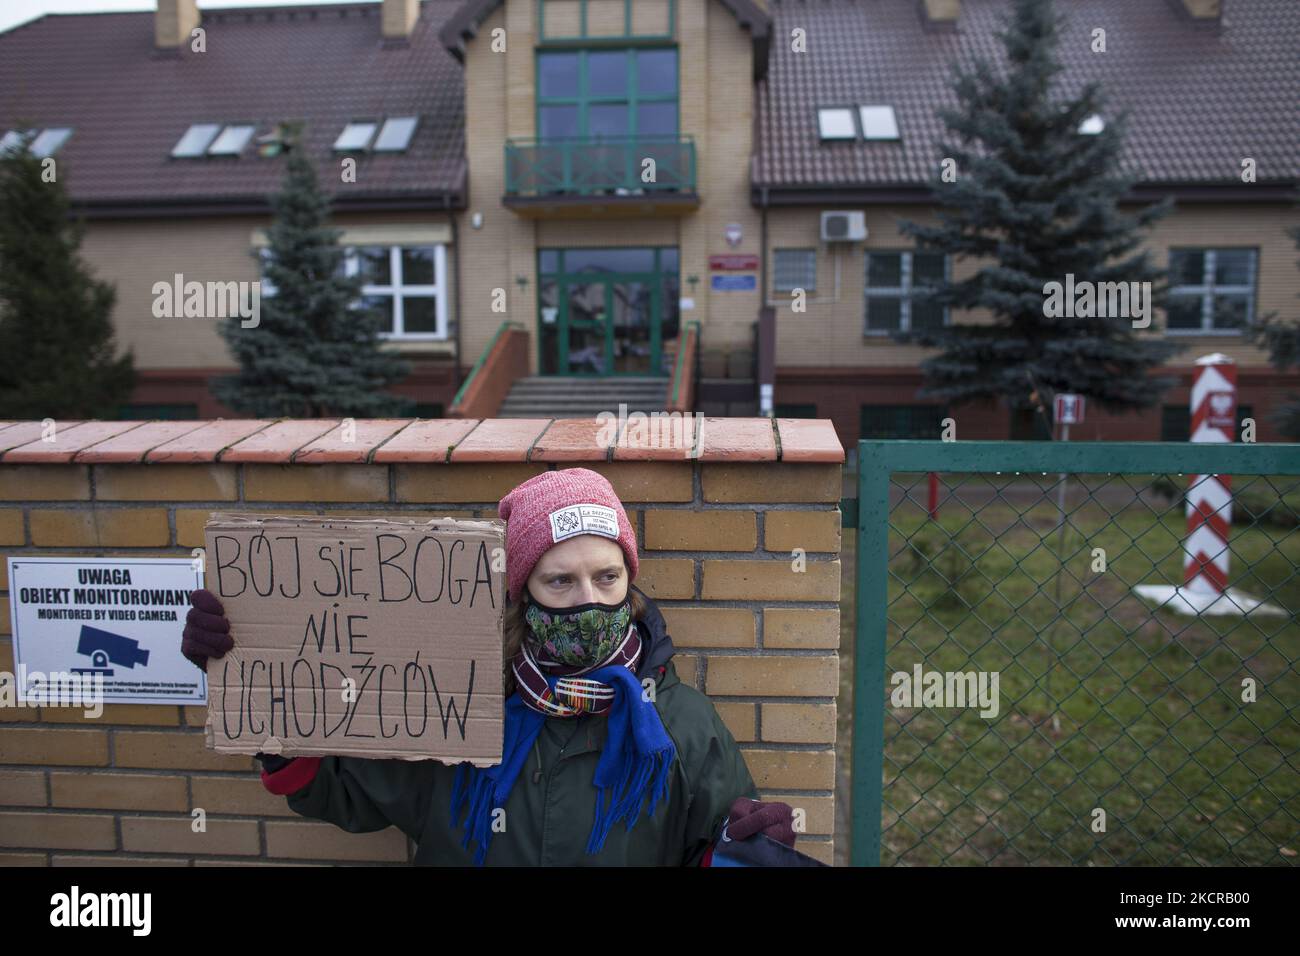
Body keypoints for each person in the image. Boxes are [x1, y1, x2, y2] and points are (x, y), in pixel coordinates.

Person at [182, 467, 797, 865]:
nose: (588, 599)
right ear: (522, 594)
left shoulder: (683, 726)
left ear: (629, 583)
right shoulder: (457, 708)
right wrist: (253, 672)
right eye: (559, 580)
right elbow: (345, 791)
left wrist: (746, 853)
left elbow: (712, 847)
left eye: (606, 577)